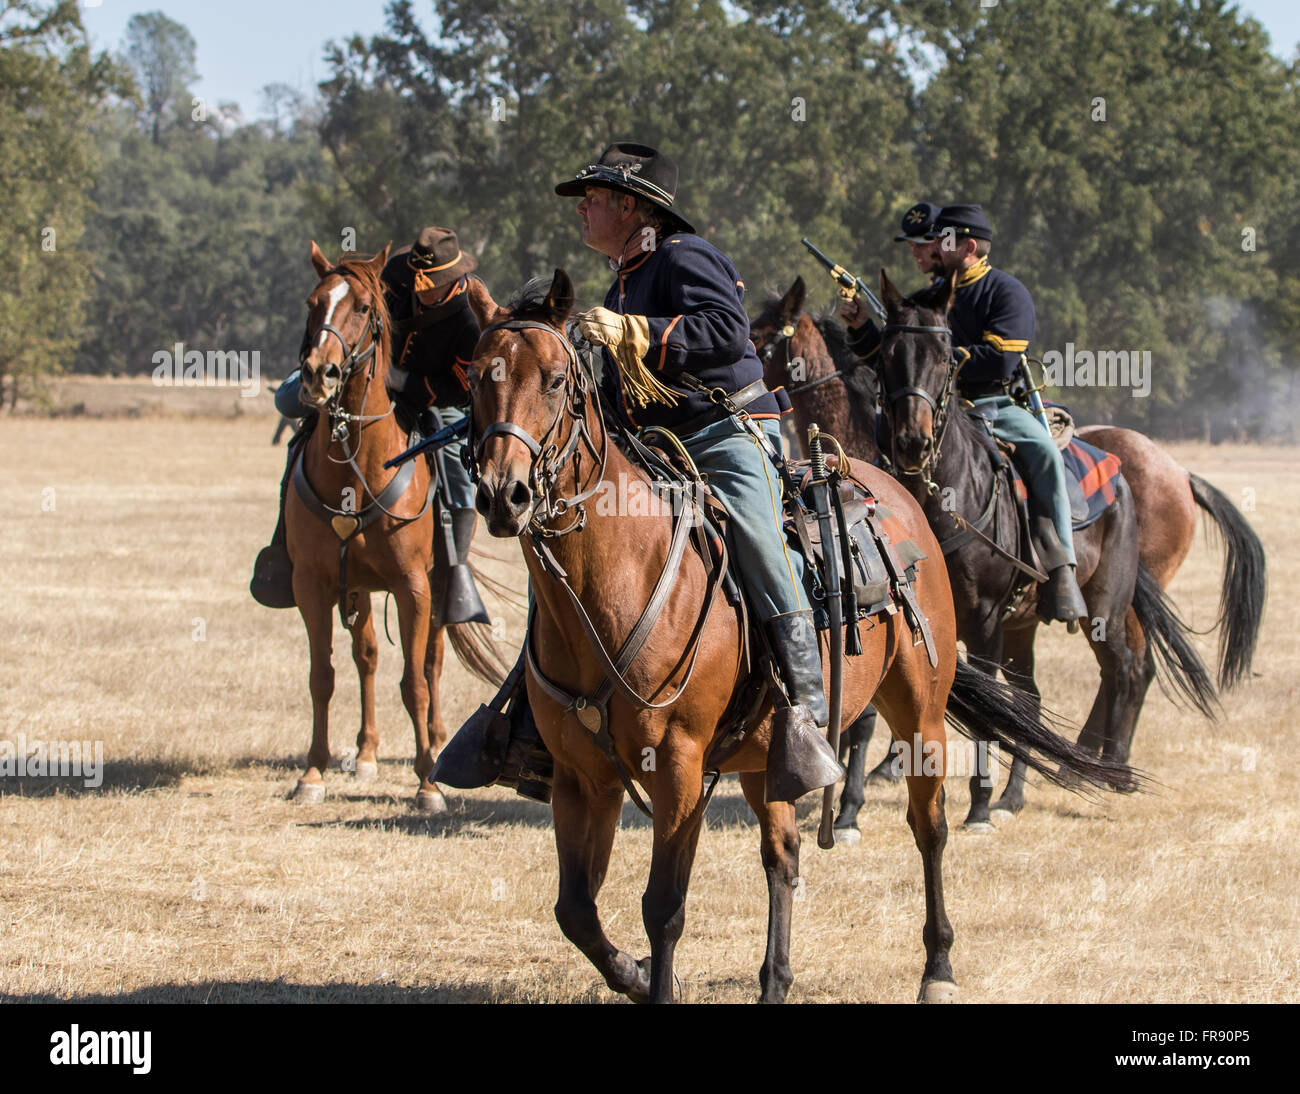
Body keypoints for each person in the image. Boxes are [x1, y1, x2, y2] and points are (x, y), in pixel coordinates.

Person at [437, 141, 843, 803]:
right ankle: (531, 723)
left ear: (631, 205)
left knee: (761, 541)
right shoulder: (625, 273)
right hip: (650, 443)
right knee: (565, 550)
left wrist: (636, 332)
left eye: (592, 199)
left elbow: (726, 332)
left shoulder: (685, 255)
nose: (583, 211)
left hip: (725, 432)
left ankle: (804, 711)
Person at [846, 202, 1086, 625]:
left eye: (940, 240)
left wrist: (940, 355)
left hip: (992, 406)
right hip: (931, 412)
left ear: (968, 245)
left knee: (1044, 451)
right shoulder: (926, 299)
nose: (929, 248)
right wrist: (862, 327)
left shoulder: (1005, 291)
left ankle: (1061, 564)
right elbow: (891, 358)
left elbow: (1001, 361)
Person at [249, 228, 488, 623]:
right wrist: (314, 361)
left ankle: (454, 573)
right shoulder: (395, 273)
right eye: (420, 282)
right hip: (357, 377)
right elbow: (332, 310)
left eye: (434, 285)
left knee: (459, 475)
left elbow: (460, 389)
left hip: (431, 395)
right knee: (287, 404)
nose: (422, 290)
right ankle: (282, 546)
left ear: (454, 280)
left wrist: (399, 381)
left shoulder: (468, 318)